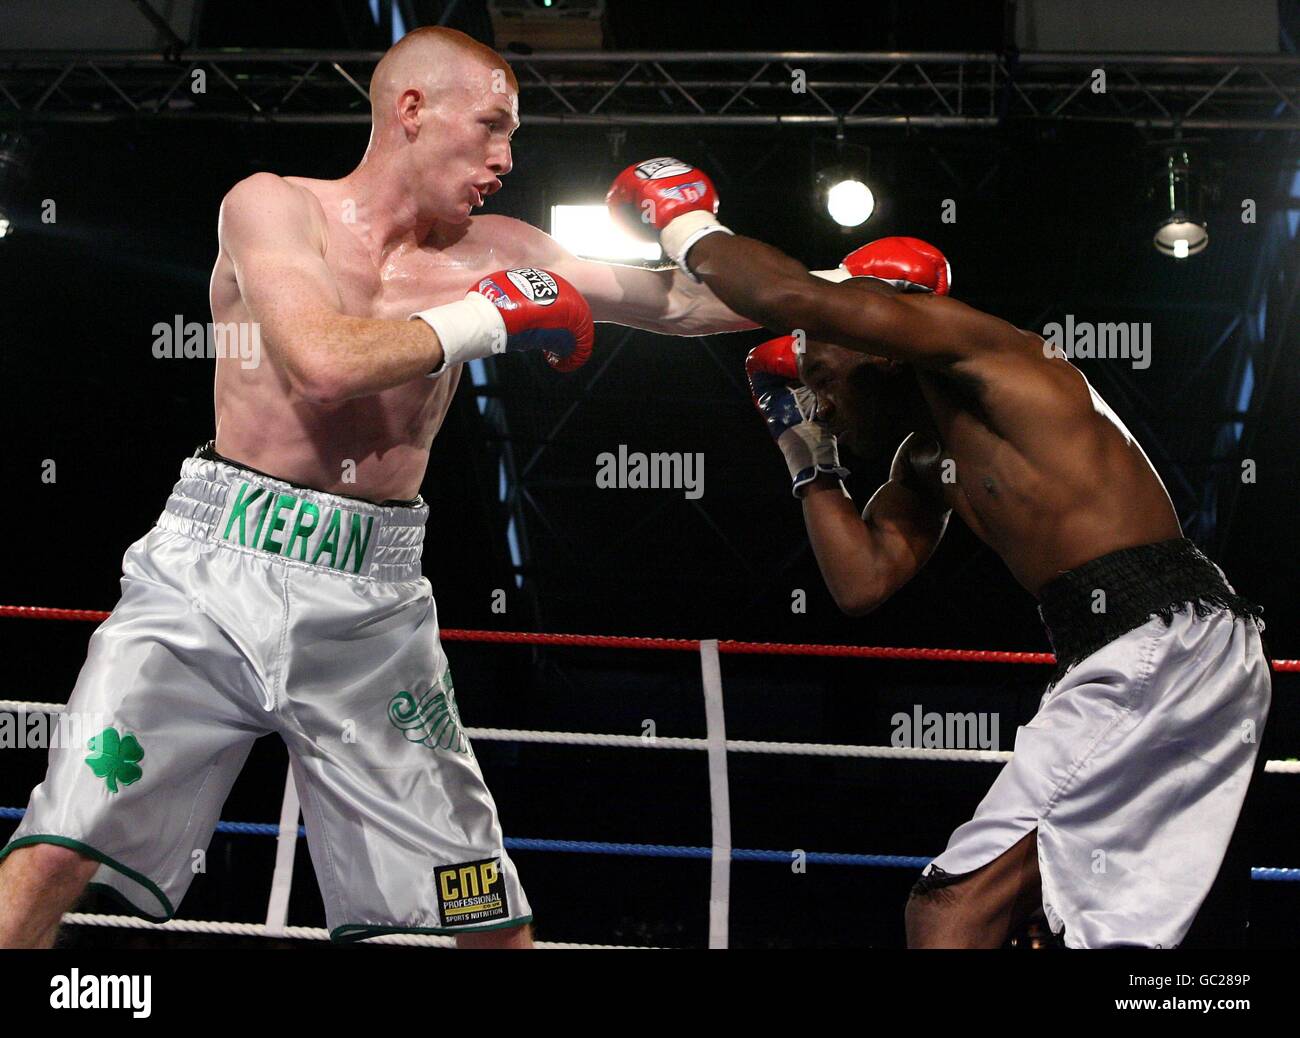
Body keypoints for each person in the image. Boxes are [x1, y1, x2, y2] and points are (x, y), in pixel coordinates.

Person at [0, 30, 753, 950]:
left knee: (486, 920)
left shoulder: (505, 247)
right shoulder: (274, 208)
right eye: (490, 128)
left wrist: (853, 294)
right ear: (411, 111)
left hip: (374, 615)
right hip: (208, 577)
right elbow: (321, 362)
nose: (505, 159)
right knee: (54, 851)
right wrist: (492, 314)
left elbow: (679, 302)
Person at [607, 158, 1272, 948]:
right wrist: (803, 455)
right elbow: (862, 581)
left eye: (822, 370)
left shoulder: (984, 352)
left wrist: (683, 220)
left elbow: (786, 296)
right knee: (1082, 926)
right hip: (1128, 649)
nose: (821, 400)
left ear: (881, 338)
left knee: (949, 910)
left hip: (1158, 639)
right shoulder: (928, 457)